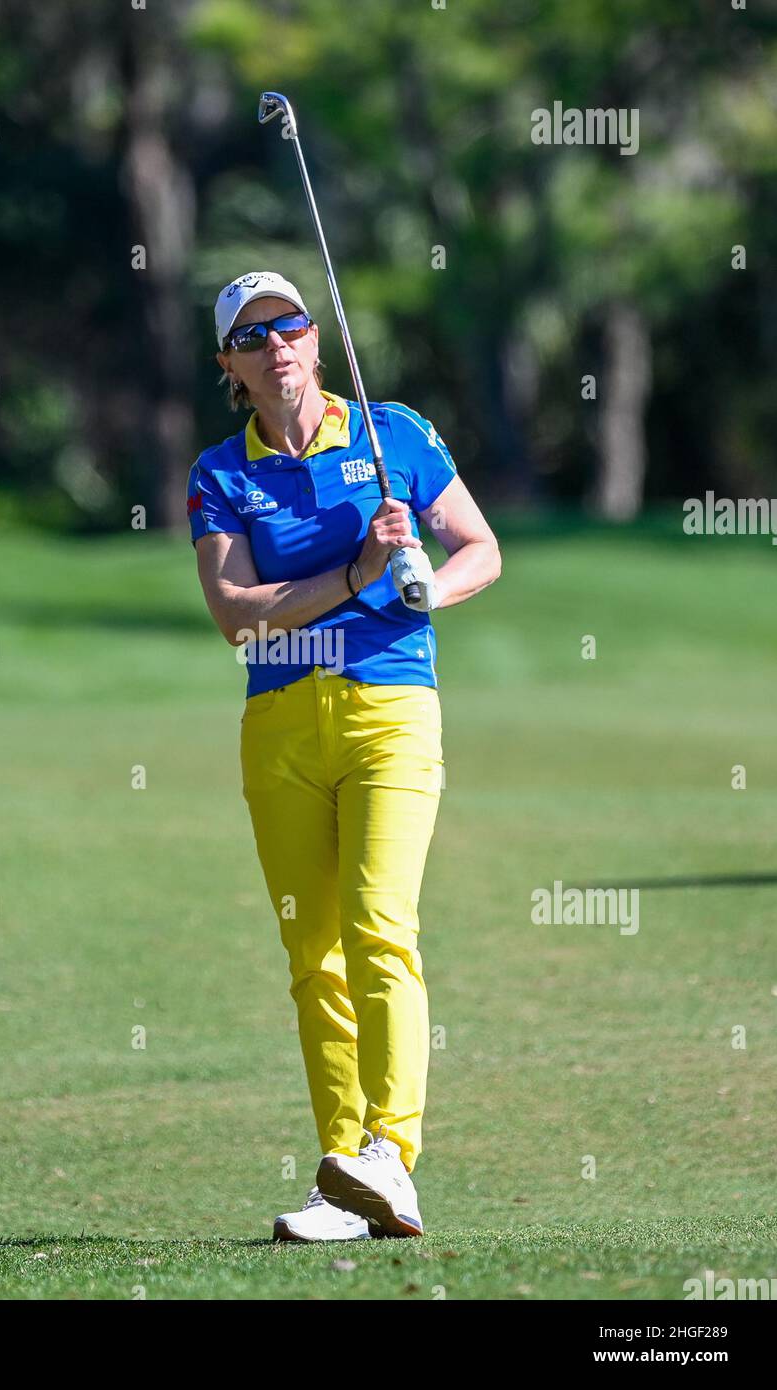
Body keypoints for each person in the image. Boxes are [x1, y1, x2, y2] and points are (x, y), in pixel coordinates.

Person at [187, 270, 501, 1240]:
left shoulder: (392, 433)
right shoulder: (221, 475)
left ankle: (390, 1156)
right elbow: (238, 615)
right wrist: (355, 570)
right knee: (311, 956)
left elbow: (479, 548)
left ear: (316, 340)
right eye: (253, 335)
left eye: (289, 324)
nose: (276, 343)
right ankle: (346, 1178)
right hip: (280, 726)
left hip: (389, 712)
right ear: (230, 367)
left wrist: (420, 587)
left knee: (379, 926)